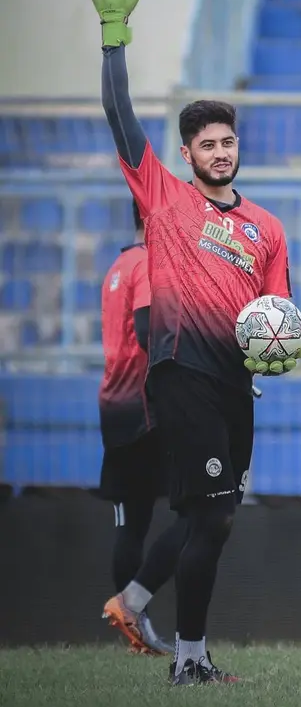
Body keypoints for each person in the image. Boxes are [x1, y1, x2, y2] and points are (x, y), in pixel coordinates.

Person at [89, 0, 301, 686]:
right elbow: (122, 119)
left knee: (214, 515)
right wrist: (114, 36)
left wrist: (278, 354)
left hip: (233, 386)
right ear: (187, 155)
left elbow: (275, 318)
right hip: (179, 373)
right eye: (207, 144)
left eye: (227, 141)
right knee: (209, 514)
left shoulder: (268, 229)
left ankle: (150, 616)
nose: (221, 151)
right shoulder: (164, 199)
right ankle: (188, 660)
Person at [98, 200, 188, 656]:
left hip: (114, 404)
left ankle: (135, 628)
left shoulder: (118, 265)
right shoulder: (149, 264)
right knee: (201, 510)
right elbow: (146, 330)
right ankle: (136, 610)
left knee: (130, 523)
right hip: (145, 410)